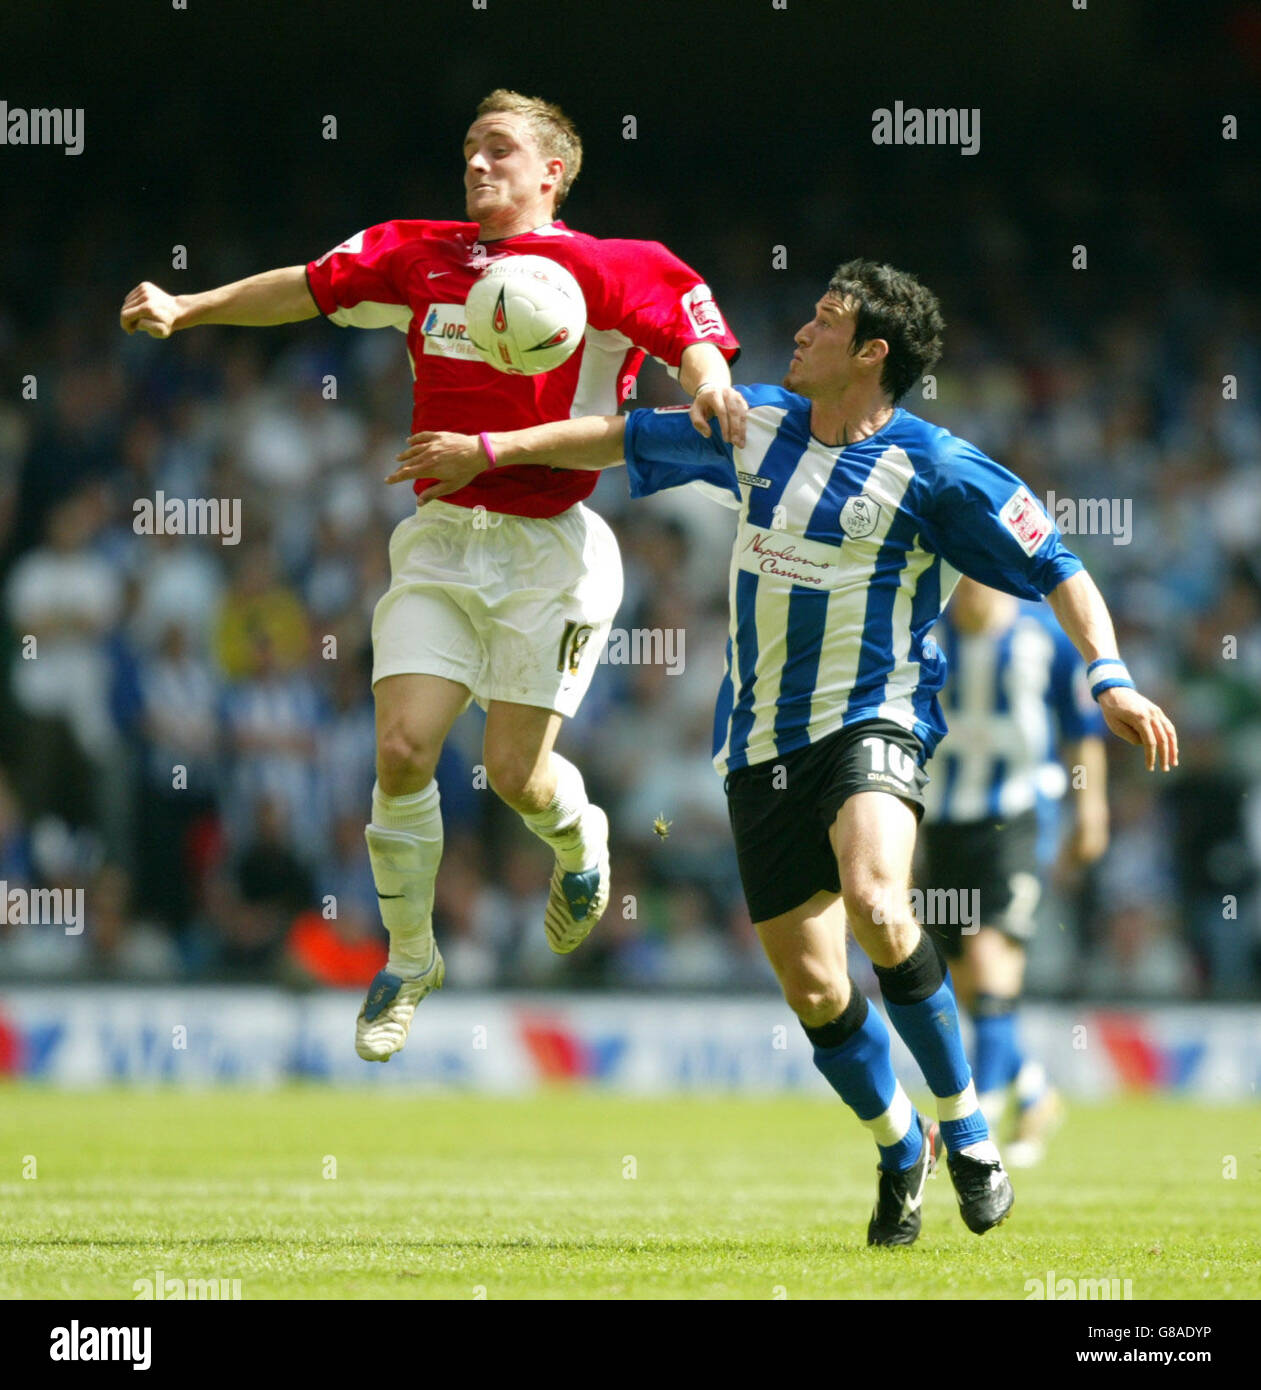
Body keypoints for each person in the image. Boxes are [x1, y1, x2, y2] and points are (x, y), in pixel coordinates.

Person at [392, 258, 1178, 1245]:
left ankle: (967, 1126)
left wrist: (1106, 671)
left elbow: (1056, 559)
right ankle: (900, 1146)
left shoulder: (937, 469)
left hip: (874, 722)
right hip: (757, 744)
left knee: (880, 897)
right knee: (814, 987)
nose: (799, 331)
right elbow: (616, 435)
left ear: (870, 354)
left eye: (824, 320)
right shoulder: (753, 423)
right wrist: (489, 448)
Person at [119, 90, 744, 1062]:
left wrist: (709, 386)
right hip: (442, 542)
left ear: (552, 172)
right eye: (468, 151)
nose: (478, 166)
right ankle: (409, 958)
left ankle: (580, 840)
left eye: (500, 151)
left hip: (551, 553)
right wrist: (189, 306)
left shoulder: (613, 268)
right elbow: (308, 284)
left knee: (513, 776)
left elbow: (691, 347)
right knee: (404, 750)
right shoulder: (423, 255)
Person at [917, 576, 1110, 1166]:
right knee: (971, 989)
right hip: (945, 823)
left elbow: (1081, 730)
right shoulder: (926, 638)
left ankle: (975, 1128)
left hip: (1019, 819)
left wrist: (1091, 808)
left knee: (988, 961)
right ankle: (1035, 1093)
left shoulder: (1043, 638)